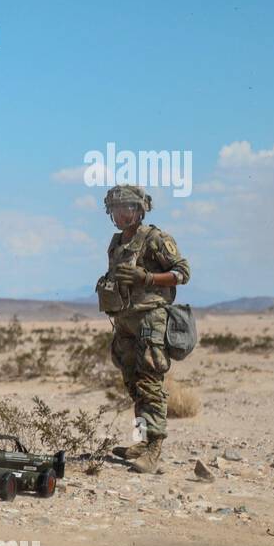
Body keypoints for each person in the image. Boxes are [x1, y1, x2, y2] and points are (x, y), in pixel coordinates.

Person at [98, 185, 191, 474]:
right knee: (134, 385)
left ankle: (153, 449)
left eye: (126, 208)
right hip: (124, 322)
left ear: (140, 209)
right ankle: (140, 440)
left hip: (151, 321)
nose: (120, 214)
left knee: (150, 387)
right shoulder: (116, 243)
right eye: (115, 208)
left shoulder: (155, 239)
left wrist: (148, 277)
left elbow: (182, 273)